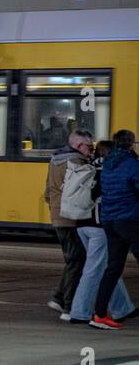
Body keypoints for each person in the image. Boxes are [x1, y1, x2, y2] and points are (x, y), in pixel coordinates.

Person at [66, 139, 137, 326]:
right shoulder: (106, 170)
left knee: (110, 268)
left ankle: (123, 308)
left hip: (81, 223)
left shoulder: (88, 167)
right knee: (94, 270)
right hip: (99, 226)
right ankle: (80, 312)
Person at [90, 129, 139, 329]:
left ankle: (99, 314)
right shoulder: (131, 164)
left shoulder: (109, 164)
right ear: (130, 144)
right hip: (130, 220)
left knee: (113, 268)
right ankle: (100, 314)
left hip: (110, 221)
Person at [45, 130, 93, 314]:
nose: (91, 150)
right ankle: (68, 305)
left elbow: (47, 191)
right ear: (80, 145)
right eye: (89, 146)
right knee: (77, 261)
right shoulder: (77, 162)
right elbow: (83, 192)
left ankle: (59, 297)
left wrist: (55, 210)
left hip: (58, 216)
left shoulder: (55, 160)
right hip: (72, 218)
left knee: (73, 260)